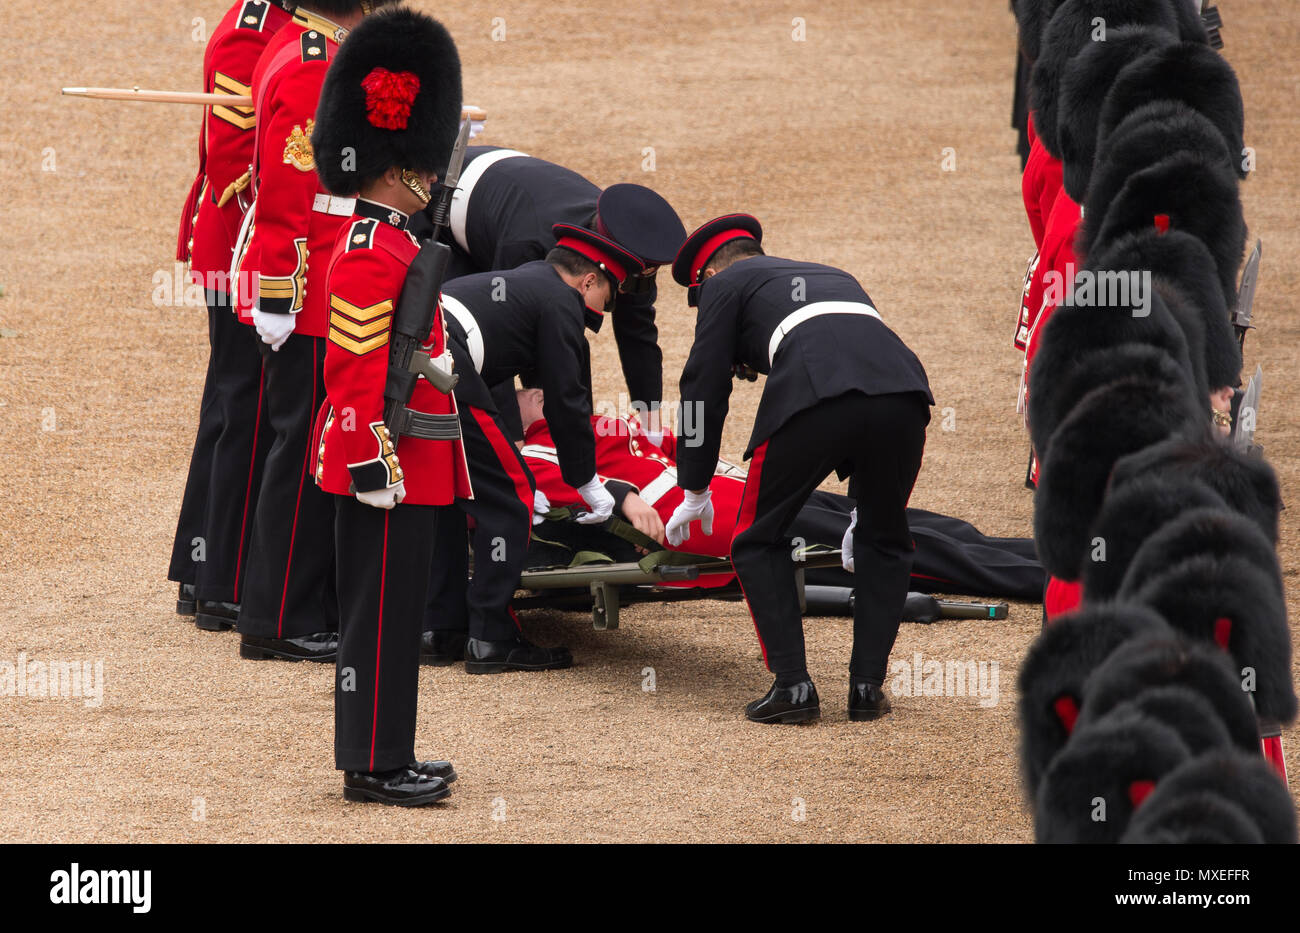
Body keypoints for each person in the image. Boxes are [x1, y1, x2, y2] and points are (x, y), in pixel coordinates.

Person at [667, 214, 933, 725]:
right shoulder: (834, 275)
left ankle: (793, 687)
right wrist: (867, 507)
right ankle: (866, 689)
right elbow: (859, 366)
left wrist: (695, 486)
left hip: (814, 397)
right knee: (886, 538)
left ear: (706, 277)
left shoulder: (723, 285)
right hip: (905, 392)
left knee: (756, 539)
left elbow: (702, 389)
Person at [308, 5, 464, 805]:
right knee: (374, 619)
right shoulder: (372, 249)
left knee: (394, 618)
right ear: (396, 164)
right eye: (424, 166)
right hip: (384, 462)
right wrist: (370, 457)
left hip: (407, 460)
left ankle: (389, 749)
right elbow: (354, 367)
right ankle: (371, 762)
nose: (432, 178)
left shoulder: (398, 241)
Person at [516, 390, 1044, 601]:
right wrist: (628, 494)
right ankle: (1040, 578)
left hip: (742, 490)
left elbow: (676, 440)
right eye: (521, 390)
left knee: (898, 518)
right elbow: (587, 492)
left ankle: (1036, 552)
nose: (535, 388)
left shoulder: (587, 422)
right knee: (888, 545)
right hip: (714, 521)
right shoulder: (534, 456)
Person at [232, 0, 398, 660]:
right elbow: (289, 186)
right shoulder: (314, 64)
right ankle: (280, 618)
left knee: (300, 446)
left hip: (318, 271)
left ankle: (287, 605)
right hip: (309, 283)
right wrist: (280, 289)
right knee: (302, 452)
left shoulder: (309, 47)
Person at [421, 226, 646, 671]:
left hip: (421, 354)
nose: (604, 308)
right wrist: (586, 480)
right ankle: (492, 636)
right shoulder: (560, 302)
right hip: (447, 360)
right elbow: (566, 399)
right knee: (511, 497)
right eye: (609, 295)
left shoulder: (524, 284)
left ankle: (440, 627)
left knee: (447, 493)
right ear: (588, 281)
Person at [411, 147, 686, 441]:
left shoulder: (631, 241)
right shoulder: (530, 242)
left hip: (502, 203)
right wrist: (517, 442)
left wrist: (651, 426)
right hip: (438, 207)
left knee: (564, 342)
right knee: (467, 344)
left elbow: (638, 335)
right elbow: (503, 338)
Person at [169, 0, 293, 628]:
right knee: (244, 407)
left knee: (233, 402)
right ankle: (221, 578)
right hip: (241, 248)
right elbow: (234, 164)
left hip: (250, 249)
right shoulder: (251, 35)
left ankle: (204, 570)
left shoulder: (277, 24)